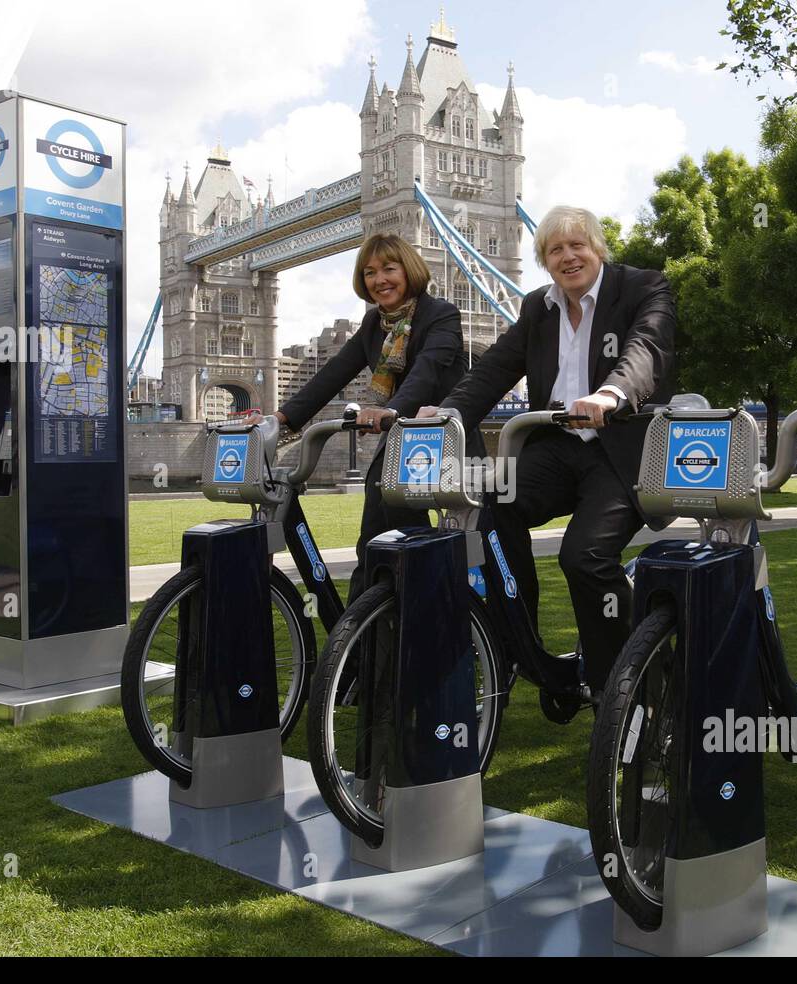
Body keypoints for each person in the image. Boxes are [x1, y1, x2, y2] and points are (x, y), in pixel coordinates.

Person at [417, 205, 676, 700]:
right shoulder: (539, 307)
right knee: (488, 505)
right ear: (544, 260)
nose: (568, 256)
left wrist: (611, 394)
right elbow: (494, 368)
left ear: (597, 249)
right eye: (555, 249)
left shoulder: (644, 287)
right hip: (555, 447)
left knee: (585, 557)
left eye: (577, 245)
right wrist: (448, 412)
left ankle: (618, 688)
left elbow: (646, 348)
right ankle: (518, 647)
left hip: (619, 452)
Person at [274, 232, 480, 597]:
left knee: (482, 548)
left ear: (409, 270)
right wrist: (282, 418)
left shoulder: (441, 315)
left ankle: (495, 638)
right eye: (369, 272)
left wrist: (390, 409)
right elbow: (332, 374)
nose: (379, 279)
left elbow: (427, 370)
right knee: (377, 541)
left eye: (389, 268)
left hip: (447, 440)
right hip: (402, 438)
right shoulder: (374, 325)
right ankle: (366, 637)